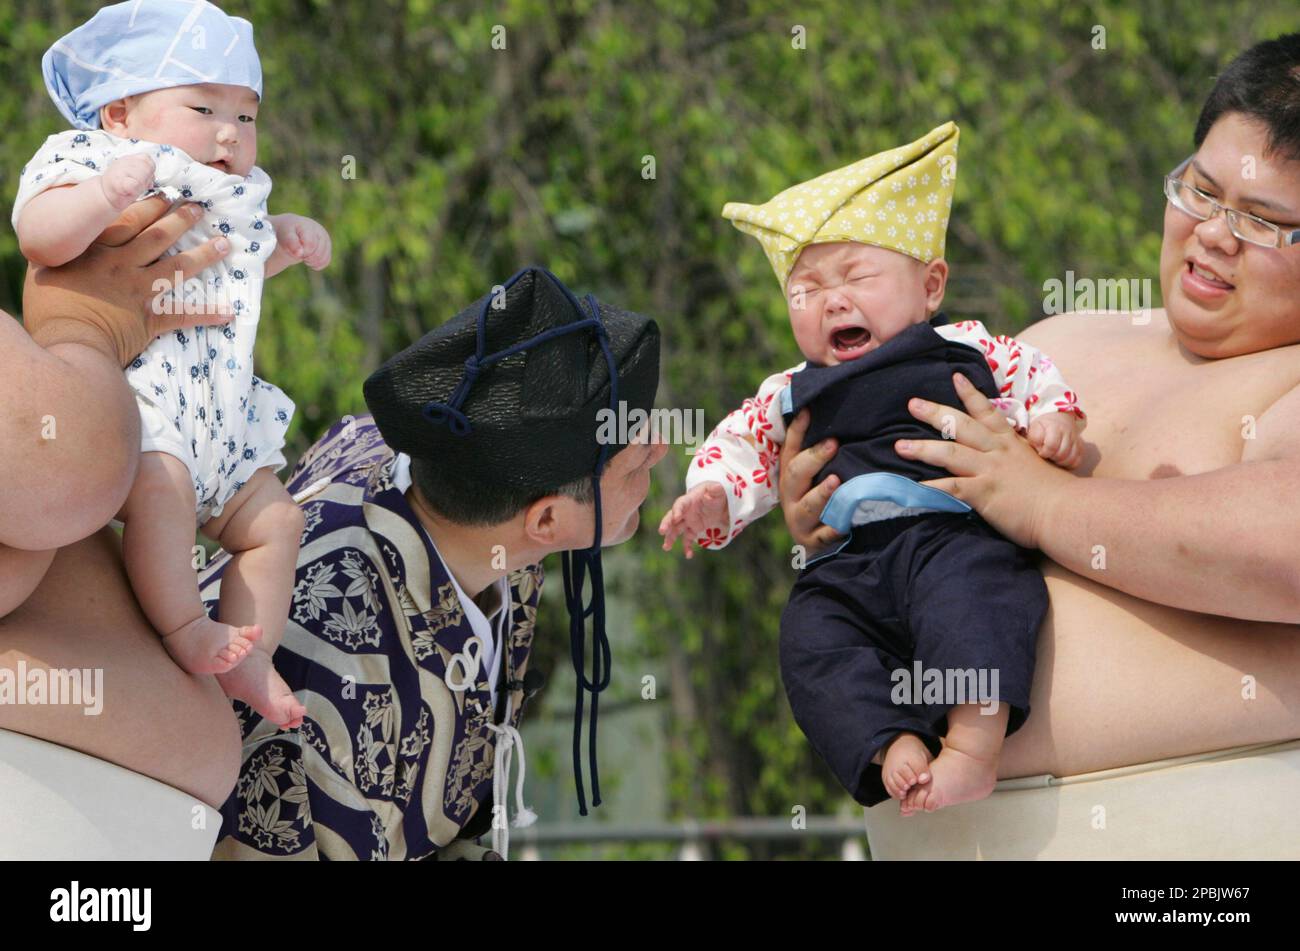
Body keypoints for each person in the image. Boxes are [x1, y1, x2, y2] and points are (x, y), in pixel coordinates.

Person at [776, 33, 1300, 806]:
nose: (1214, 234)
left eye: (1261, 220)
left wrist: (1047, 502)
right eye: (1201, 190)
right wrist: (839, 504)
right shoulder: (1059, 341)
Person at [661, 122, 1086, 814]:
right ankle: (888, 742)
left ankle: (972, 749)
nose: (833, 300)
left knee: (976, 605)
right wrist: (710, 495)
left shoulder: (967, 346)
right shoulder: (790, 390)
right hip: (847, 560)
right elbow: (738, 444)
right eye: (805, 290)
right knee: (809, 637)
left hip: (953, 533)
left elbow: (1034, 374)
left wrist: (1054, 420)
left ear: (931, 285)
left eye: (858, 276)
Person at [200, 266, 667, 859]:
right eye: (637, 461)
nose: (660, 449)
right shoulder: (331, 675)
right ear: (548, 520)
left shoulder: (451, 469)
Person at [8, 0, 330, 729]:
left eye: (245, 115)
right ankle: (187, 626)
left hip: (222, 414)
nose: (230, 132)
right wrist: (100, 197)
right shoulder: (94, 157)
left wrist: (284, 243)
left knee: (277, 519)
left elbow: (229, 271)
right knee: (165, 493)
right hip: (147, 404)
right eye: (204, 108)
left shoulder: (232, 191)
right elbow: (40, 237)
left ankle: (252, 650)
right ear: (120, 113)